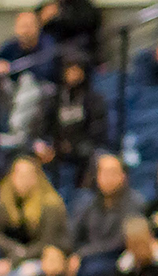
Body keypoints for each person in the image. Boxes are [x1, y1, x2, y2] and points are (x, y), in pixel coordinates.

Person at [0, 11, 58, 142]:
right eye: (22, 26)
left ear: (38, 27)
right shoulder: (11, 46)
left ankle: (17, 133)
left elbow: (45, 69)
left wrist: (10, 68)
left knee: (27, 82)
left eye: (29, 26)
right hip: (13, 91)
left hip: (42, 91)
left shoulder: (47, 44)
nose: (25, 30)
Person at [71, 153, 146, 276]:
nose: (107, 178)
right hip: (88, 258)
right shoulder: (88, 202)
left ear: (123, 176)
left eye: (112, 172)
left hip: (118, 258)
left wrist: (81, 255)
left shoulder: (134, 202)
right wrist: (70, 256)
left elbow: (119, 242)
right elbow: (74, 234)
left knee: (93, 271)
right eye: (103, 172)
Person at [33, 54, 109, 189]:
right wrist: (45, 145)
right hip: (56, 148)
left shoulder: (93, 99)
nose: (73, 74)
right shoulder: (53, 99)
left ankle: (83, 194)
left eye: (77, 69)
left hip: (83, 149)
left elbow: (98, 130)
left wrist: (73, 145)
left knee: (94, 157)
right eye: (69, 69)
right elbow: (40, 127)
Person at [38, 0, 103, 66]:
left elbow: (86, 24)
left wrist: (58, 17)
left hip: (78, 49)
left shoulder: (84, 4)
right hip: (50, 48)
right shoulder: (52, 3)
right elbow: (35, 18)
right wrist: (42, 19)